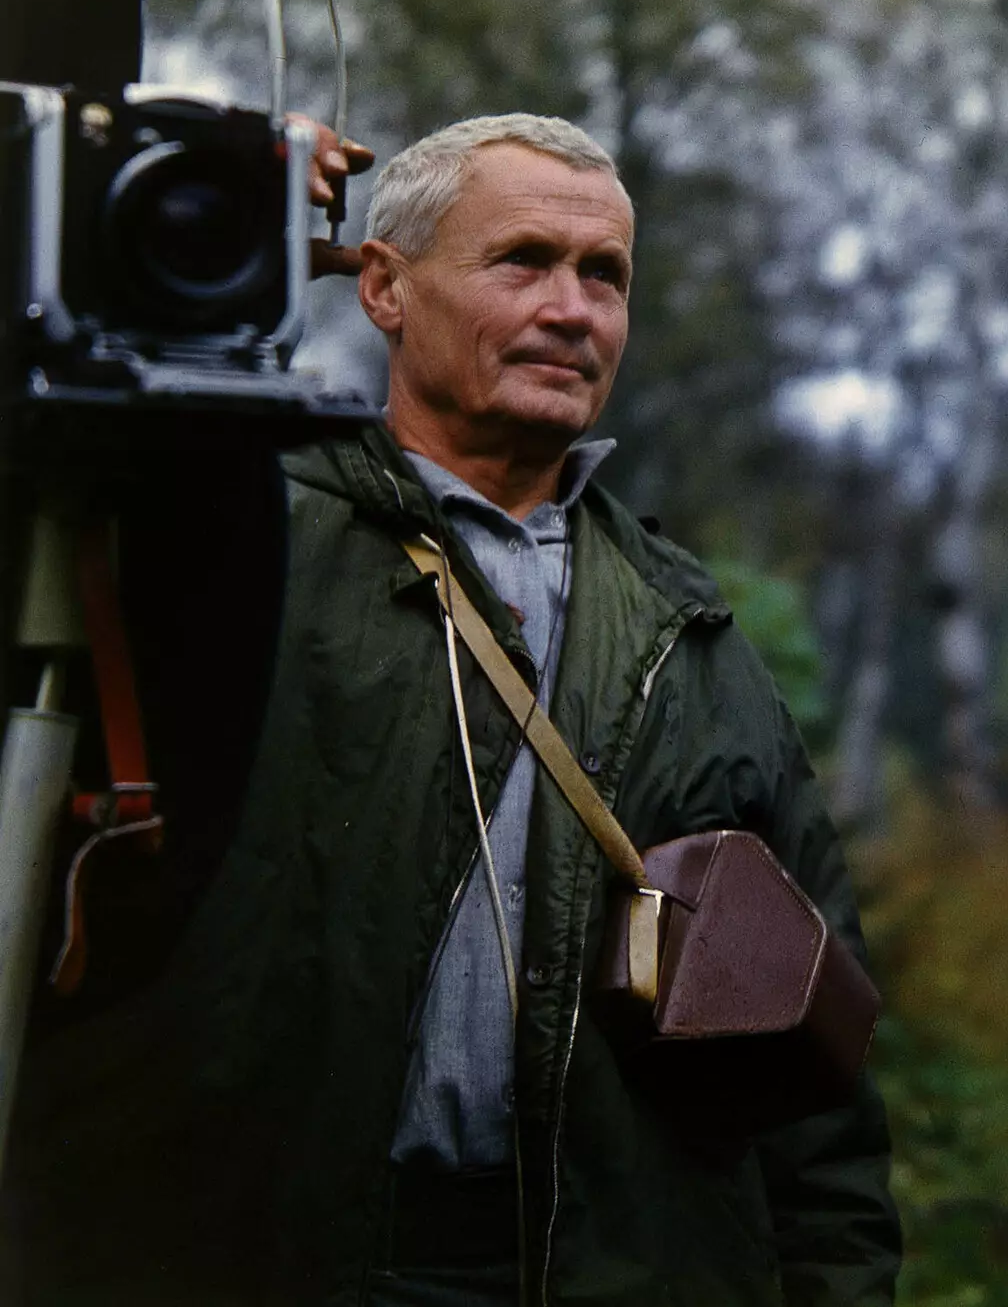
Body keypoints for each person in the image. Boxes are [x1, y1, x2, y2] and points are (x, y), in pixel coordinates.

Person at [3, 115, 900, 1305]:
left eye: (605, 277)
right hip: (257, 1256)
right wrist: (230, 216)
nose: (573, 310)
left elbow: (815, 1090)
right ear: (383, 288)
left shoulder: (691, 634)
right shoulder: (229, 548)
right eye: (522, 261)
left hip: (606, 1269)